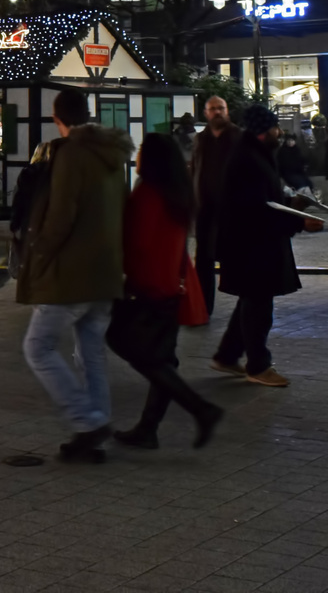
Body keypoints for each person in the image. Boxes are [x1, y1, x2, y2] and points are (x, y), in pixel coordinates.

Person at [15, 89, 132, 460]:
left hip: (71, 272)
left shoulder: (69, 155)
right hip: (106, 271)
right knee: (91, 354)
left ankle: (87, 421)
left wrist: (38, 255)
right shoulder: (112, 154)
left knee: (38, 347)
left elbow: (60, 216)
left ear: (57, 118)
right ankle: (97, 426)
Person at [109, 134, 223, 450]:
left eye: (142, 151)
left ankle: (201, 409)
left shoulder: (147, 193)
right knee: (163, 358)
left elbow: (138, 243)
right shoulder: (178, 192)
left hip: (148, 286)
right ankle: (148, 428)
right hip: (173, 285)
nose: (137, 156)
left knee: (124, 342)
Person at [213, 106, 323, 387]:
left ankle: (227, 355)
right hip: (252, 245)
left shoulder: (255, 154)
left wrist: (294, 205)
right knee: (258, 305)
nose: (279, 131)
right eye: (274, 127)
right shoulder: (249, 159)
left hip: (252, 243)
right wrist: (299, 221)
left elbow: (267, 199)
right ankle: (258, 365)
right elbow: (257, 209)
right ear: (263, 130)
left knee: (251, 300)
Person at [189, 96, 239, 314]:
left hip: (232, 210)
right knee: (203, 259)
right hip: (205, 209)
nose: (217, 112)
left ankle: (244, 306)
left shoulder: (238, 137)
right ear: (206, 113)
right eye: (213, 109)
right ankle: (203, 306)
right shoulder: (201, 139)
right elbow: (195, 169)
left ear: (227, 111)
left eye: (221, 108)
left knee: (235, 258)